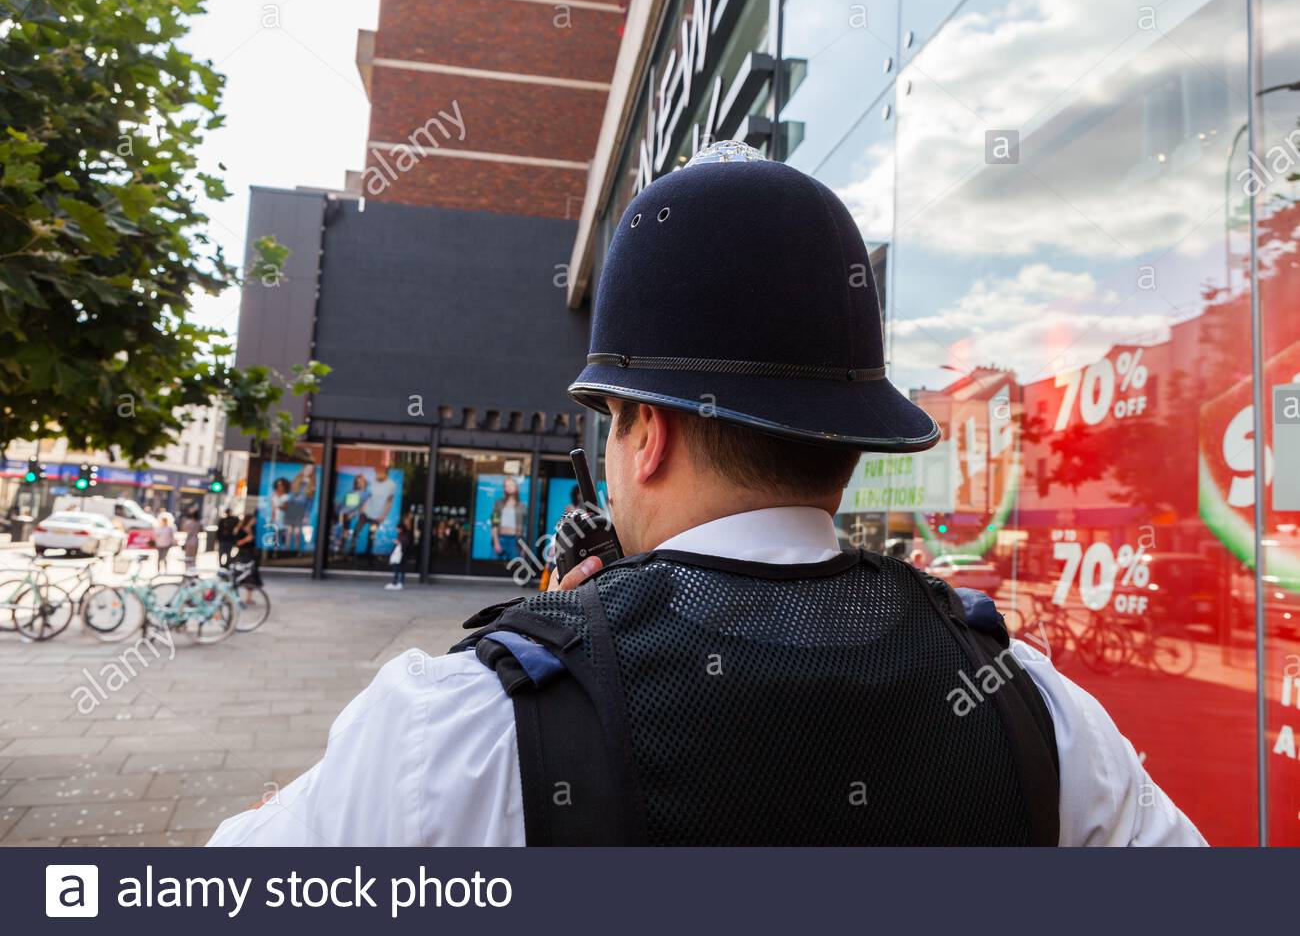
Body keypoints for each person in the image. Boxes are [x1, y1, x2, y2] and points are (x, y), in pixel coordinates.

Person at [209, 141, 1204, 847]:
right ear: (846, 449)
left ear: (651, 436)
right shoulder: (1034, 706)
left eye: (609, 420)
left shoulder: (461, 728)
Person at [353, 466, 397, 559]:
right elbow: (366, 495)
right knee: (357, 530)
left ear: (386, 473)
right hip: (366, 512)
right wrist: (362, 507)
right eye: (377, 472)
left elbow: (389, 501)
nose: (378, 474)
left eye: (380, 472)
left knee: (371, 534)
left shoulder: (391, 485)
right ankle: (352, 550)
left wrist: (383, 515)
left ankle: (368, 554)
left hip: (377, 516)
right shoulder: (372, 482)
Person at [489, 476, 527, 561]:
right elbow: (494, 524)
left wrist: (524, 547)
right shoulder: (498, 504)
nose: (509, 487)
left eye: (511, 485)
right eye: (507, 485)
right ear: (504, 488)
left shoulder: (522, 506)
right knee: (493, 567)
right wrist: (496, 542)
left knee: (513, 567)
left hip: (515, 540)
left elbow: (524, 528)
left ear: (516, 487)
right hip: (500, 539)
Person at [386, 515, 415, 590]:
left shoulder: (406, 534)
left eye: (398, 528)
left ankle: (398, 583)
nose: (397, 530)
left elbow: (406, 543)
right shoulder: (401, 534)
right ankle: (396, 582)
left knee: (400, 569)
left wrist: (399, 542)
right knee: (398, 569)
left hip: (402, 554)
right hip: (400, 554)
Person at [180, 508, 201, 573]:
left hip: (189, 540)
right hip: (195, 540)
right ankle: (192, 571)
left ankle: (188, 571)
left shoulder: (188, 522)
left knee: (188, 558)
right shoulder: (198, 523)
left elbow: (183, 529)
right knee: (193, 558)